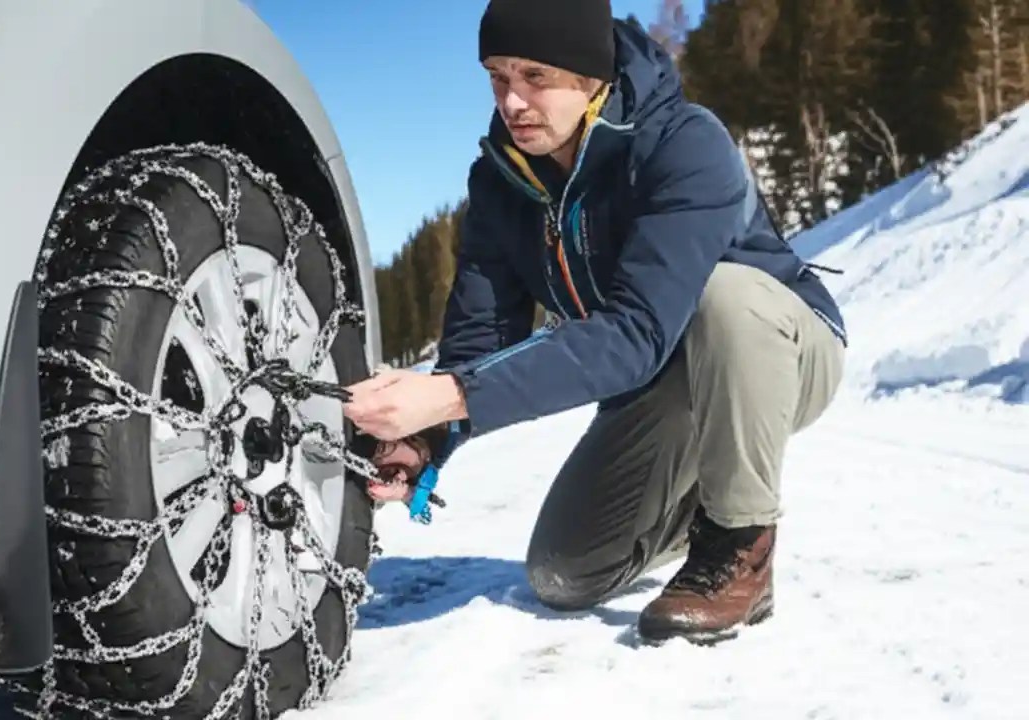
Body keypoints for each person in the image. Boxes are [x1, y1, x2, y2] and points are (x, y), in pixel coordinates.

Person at [341, 0, 847, 645]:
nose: (512, 101)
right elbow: (482, 335)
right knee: (565, 574)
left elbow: (636, 330)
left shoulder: (684, 144)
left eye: (536, 77)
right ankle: (703, 501)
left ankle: (741, 542)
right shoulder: (502, 182)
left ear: (591, 78)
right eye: (497, 76)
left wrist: (451, 395)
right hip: (660, 381)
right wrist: (427, 437)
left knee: (726, 297)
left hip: (779, 349)